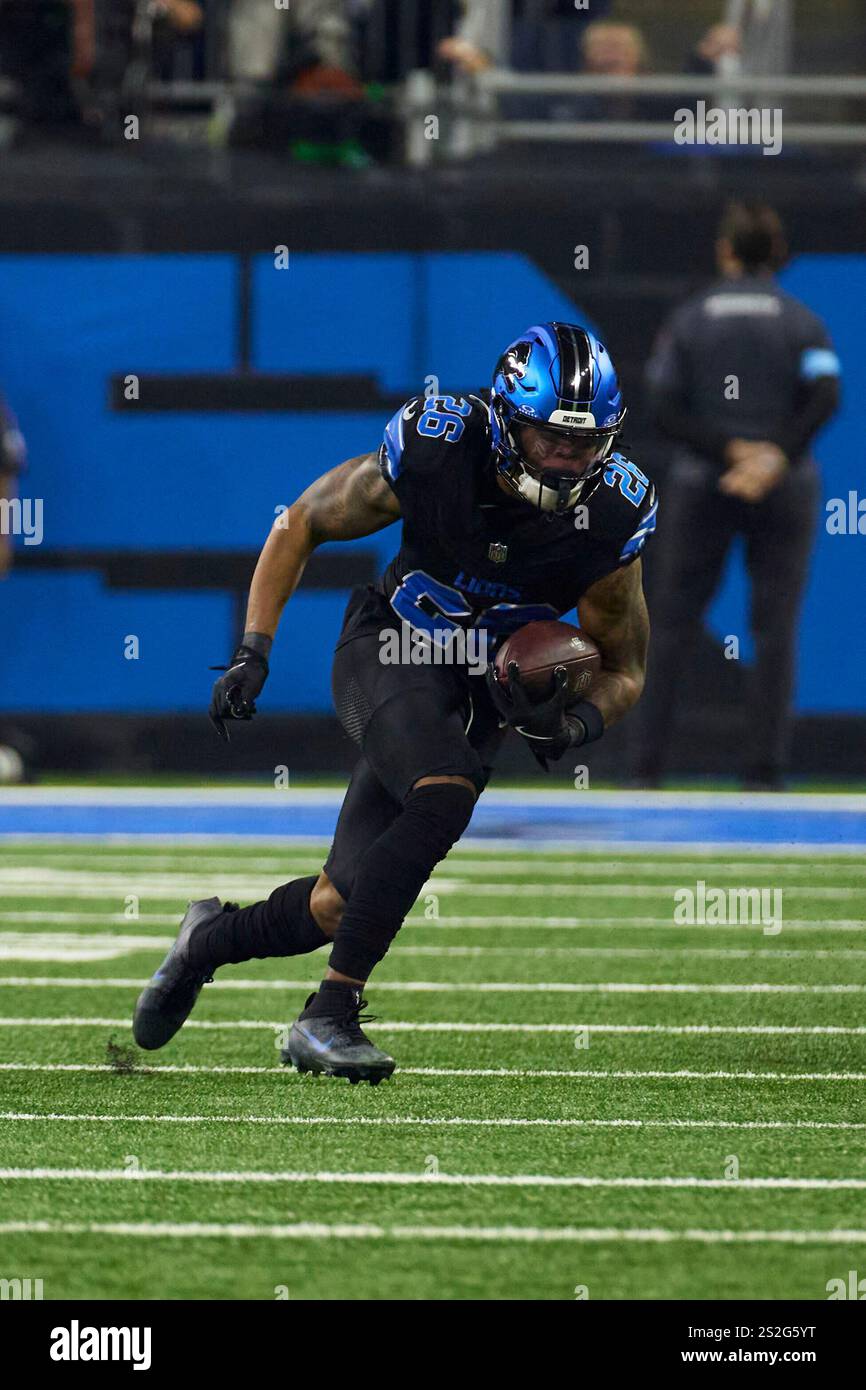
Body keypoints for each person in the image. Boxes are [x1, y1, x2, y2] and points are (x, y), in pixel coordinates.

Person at [133, 321, 657, 1083]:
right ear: (509, 419)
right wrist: (254, 650)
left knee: (338, 906)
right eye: (549, 439)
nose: (568, 459)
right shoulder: (440, 443)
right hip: (395, 647)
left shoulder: (612, 512)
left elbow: (626, 670)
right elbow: (303, 519)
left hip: (484, 696)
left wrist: (573, 723)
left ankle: (203, 944)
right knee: (441, 796)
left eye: (584, 444)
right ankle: (328, 1015)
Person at [636, 202, 840, 790]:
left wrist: (729, 452)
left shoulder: (691, 318)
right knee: (775, 628)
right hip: (785, 483)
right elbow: (826, 394)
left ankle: (646, 769)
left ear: (725, 250)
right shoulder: (802, 320)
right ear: (776, 253)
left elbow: (665, 406)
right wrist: (772, 454)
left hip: (707, 482)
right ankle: (764, 772)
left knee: (671, 622)